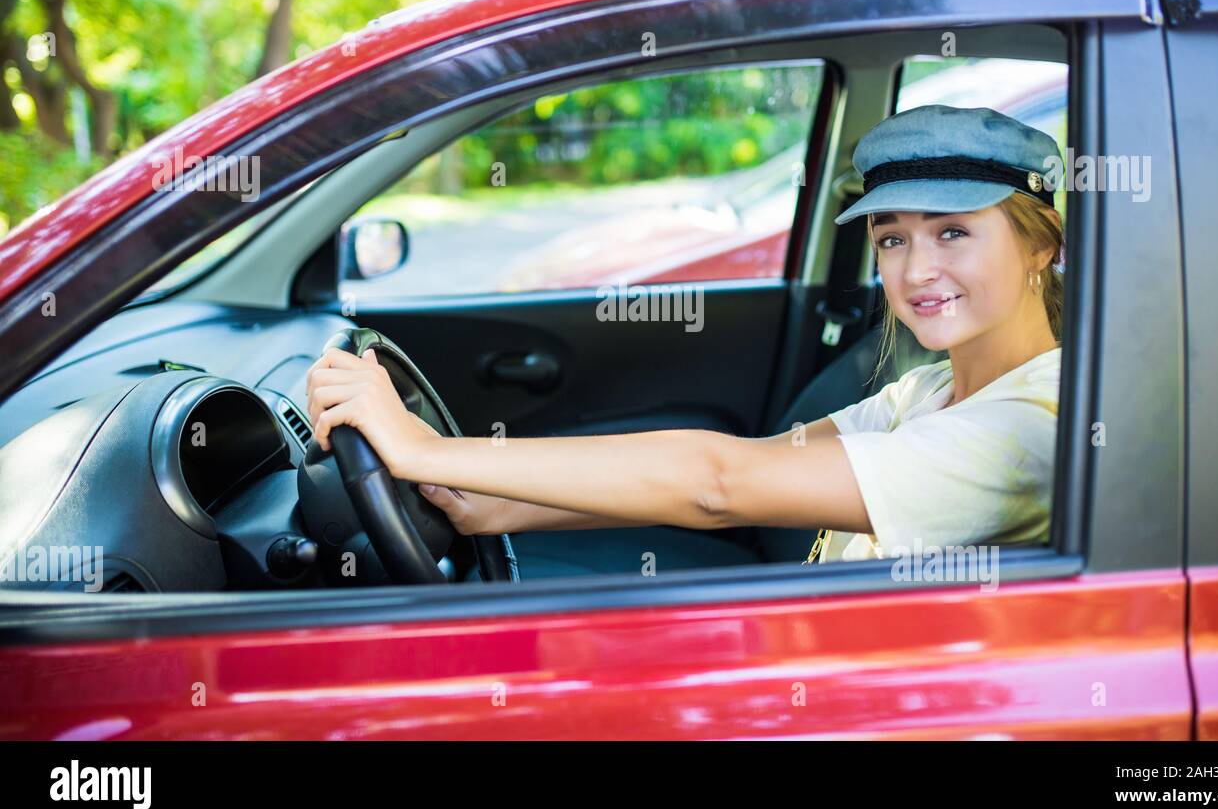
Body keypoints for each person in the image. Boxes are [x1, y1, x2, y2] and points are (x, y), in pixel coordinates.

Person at [304, 103, 1065, 571]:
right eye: (892, 239)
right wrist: (499, 508)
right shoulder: (934, 388)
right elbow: (765, 470)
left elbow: (718, 483)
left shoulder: (1028, 425)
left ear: (1042, 246)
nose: (916, 269)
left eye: (954, 232)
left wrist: (426, 450)